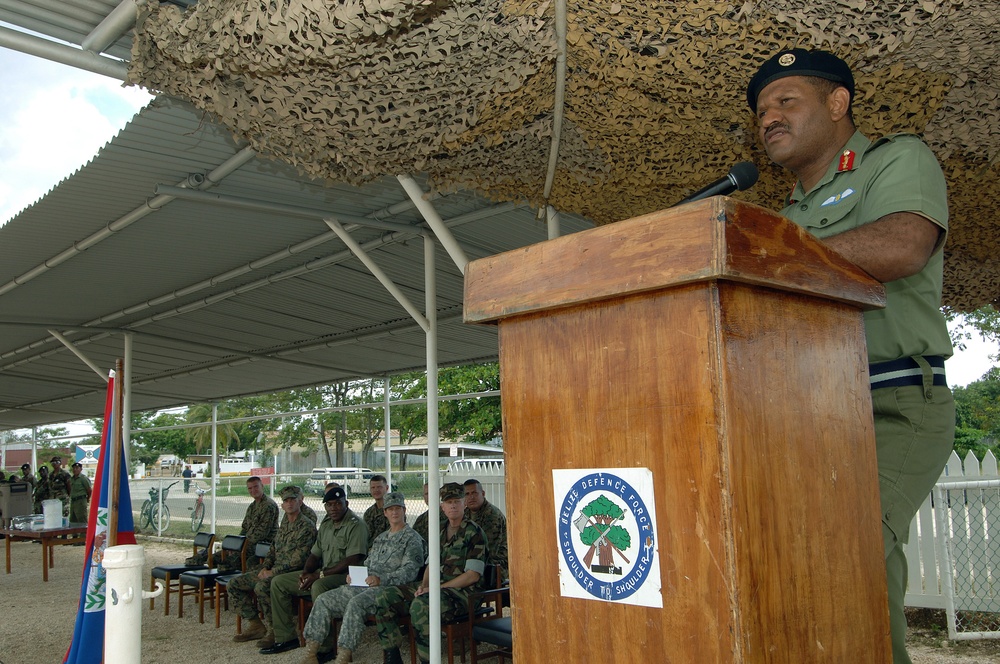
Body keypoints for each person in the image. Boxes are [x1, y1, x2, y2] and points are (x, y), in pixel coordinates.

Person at [747, 48, 955, 664]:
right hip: (806, 414)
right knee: (794, 559)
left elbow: (903, 244)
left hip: (892, 401)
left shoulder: (896, 160)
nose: (769, 119)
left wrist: (770, 261)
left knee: (850, 546)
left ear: (838, 103)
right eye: (761, 110)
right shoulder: (779, 219)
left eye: (786, 101)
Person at [300, 491, 425, 664]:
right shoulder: (381, 538)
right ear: (385, 512)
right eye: (390, 509)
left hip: (388, 591)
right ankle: (310, 653)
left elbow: (410, 572)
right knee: (323, 600)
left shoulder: (412, 539)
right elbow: (367, 564)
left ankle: (343, 656)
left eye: (398, 508)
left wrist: (381, 579)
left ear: (404, 510)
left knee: (355, 604)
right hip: (364, 585)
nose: (394, 512)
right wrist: (354, 575)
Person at [373, 482, 488, 664]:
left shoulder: (474, 533)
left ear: (464, 503)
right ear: (442, 506)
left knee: (419, 607)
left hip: (464, 594)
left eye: (457, 501)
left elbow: (472, 575)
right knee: (384, 597)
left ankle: (428, 660)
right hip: (437, 589)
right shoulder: (439, 530)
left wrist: (437, 588)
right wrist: (424, 586)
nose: (452, 506)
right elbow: (431, 565)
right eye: (448, 502)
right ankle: (392, 656)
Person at [264, 486, 368, 655]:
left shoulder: (356, 525)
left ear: (346, 503)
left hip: (347, 577)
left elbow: (353, 560)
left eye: (337, 504)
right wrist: (305, 572)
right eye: (329, 505)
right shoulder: (326, 524)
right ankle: (286, 638)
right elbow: (315, 553)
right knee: (278, 582)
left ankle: (325, 647)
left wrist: (318, 575)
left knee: (318, 585)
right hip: (324, 573)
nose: (333, 508)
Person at [231, 485, 317, 646]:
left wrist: (272, 572)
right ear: (282, 504)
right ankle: (255, 624)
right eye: (286, 500)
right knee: (234, 584)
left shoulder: (306, 526)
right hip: (274, 569)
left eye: (293, 500)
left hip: (292, 573)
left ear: (300, 501)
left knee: (262, 587)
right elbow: (273, 548)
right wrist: (266, 566)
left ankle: (275, 630)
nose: (289, 503)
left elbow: (299, 559)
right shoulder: (285, 521)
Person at [463, 479, 508, 582]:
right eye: (467, 494)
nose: (471, 497)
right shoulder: (465, 513)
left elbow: (487, 550)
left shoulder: (492, 516)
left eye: (474, 493)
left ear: (482, 493)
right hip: (473, 562)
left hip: (494, 566)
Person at [362, 475, 390, 546]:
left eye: (379, 487)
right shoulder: (369, 513)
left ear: (386, 488)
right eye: (373, 487)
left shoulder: (393, 510)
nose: (376, 490)